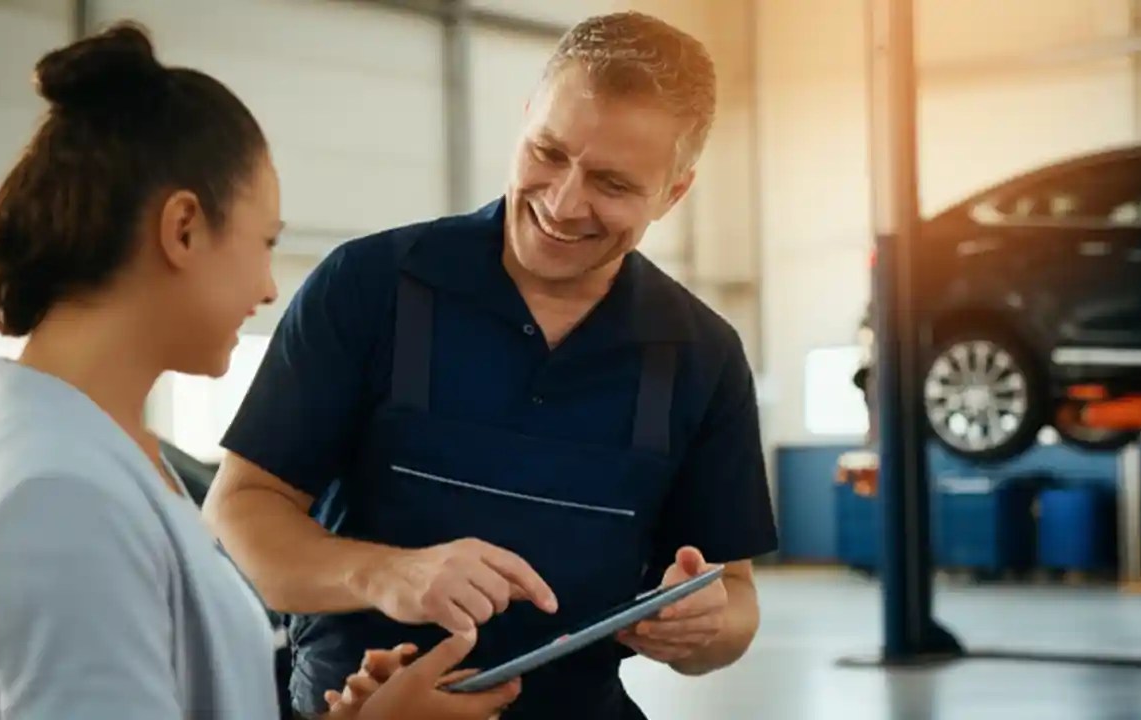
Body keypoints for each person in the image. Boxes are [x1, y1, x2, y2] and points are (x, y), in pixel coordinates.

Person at [203, 10, 779, 720]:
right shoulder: (371, 286)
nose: (564, 202)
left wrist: (705, 629)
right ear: (525, 117)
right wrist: (389, 573)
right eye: (548, 151)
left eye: (613, 184)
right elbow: (239, 509)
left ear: (675, 192)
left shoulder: (702, 355)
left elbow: (735, 593)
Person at [0, 22, 517, 720]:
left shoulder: (91, 446)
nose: (271, 289)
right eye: (264, 243)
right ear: (182, 228)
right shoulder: (58, 495)